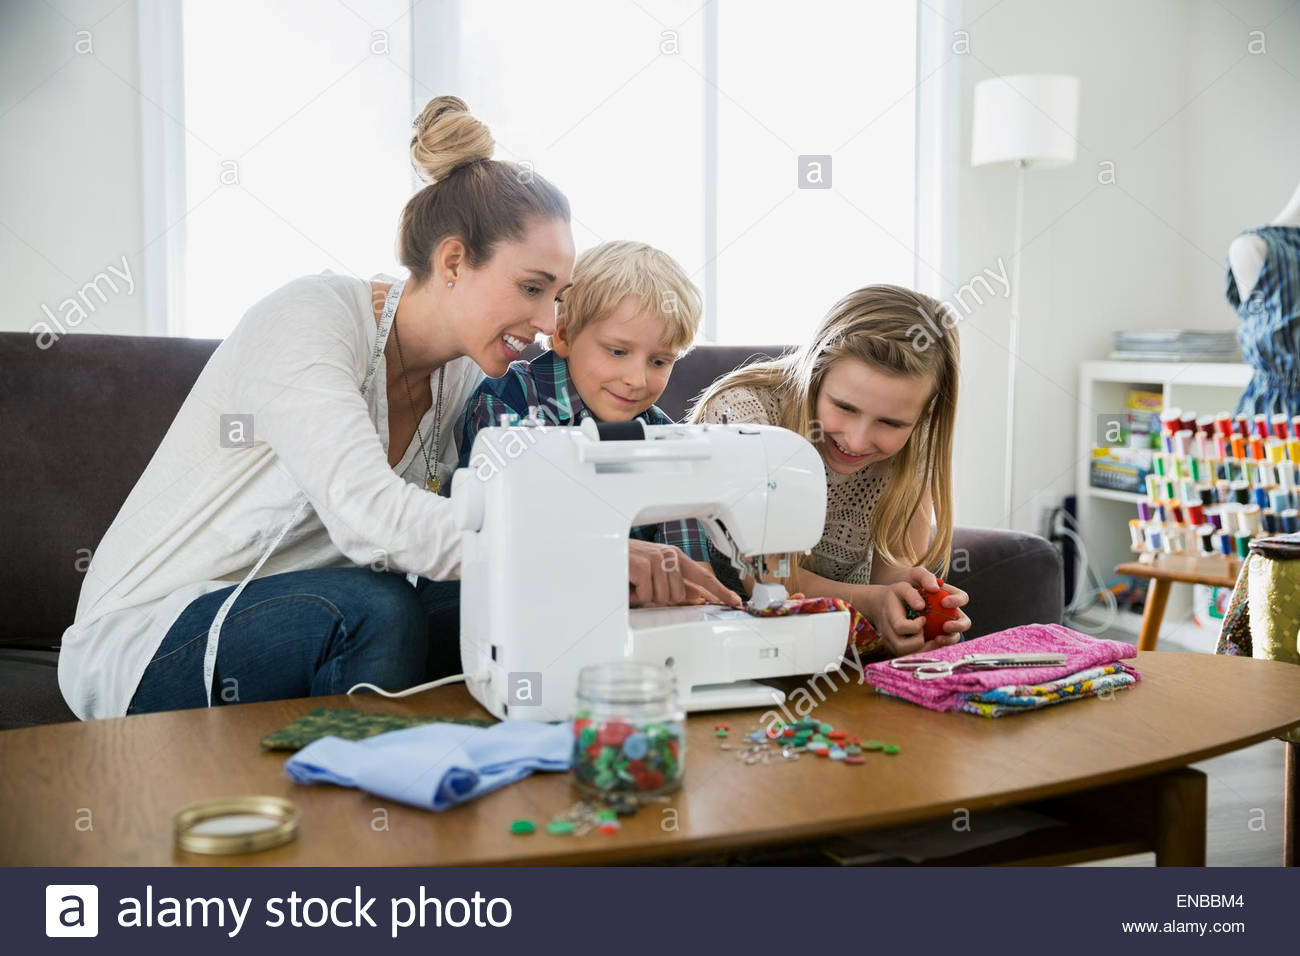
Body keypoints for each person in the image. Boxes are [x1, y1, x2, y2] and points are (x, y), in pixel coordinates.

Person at [59, 95, 738, 720]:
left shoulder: (467, 380)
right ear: (451, 262)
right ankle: (374, 825)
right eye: (532, 288)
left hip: (303, 612)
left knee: (487, 599)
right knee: (374, 609)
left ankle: (518, 766)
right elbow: (369, 520)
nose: (544, 320)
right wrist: (596, 553)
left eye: (556, 295)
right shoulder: (311, 320)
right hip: (153, 639)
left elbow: (516, 500)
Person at [690, 284, 971, 657]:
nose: (856, 441)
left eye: (889, 423)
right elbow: (769, 577)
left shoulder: (911, 447)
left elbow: (890, 573)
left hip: (833, 653)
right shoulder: (743, 414)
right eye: (845, 407)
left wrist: (911, 603)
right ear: (815, 371)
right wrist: (873, 601)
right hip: (727, 641)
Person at [457, 239, 712, 575]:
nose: (637, 379)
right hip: (494, 588)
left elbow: (693, 568)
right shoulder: (506, 400)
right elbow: (507, 536)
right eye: (617, 352)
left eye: (659, 361)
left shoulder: (664, 436)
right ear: (563, 335)